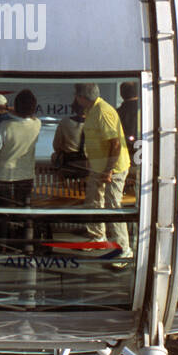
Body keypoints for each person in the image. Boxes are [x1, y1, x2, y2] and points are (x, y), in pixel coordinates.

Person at [75, 82, 132, 260]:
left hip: (112, 169)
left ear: (82, 97)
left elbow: (115, 144)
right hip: (99, 166)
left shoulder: (103, 111)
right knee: (93, 200)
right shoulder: (91, 110)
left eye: (77, 95)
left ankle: (124, 249)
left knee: (113, 206)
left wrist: (108, 170)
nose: (75, 98)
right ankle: (98, 236)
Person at [0, 89, 42, 248]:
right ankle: (24, 244)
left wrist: (7, 109)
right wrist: (13, 109)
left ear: (15, 106)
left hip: (3, 175)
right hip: (26, 175)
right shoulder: (37, 124)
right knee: (23, 211)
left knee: (2, 212)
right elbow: (28, 115)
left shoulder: (5, 126)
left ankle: (2, 244)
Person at [51, 98, 88, 181]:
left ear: (74, 108)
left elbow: (56, 146)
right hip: (87, 168)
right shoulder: (93, 124)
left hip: (68, 166)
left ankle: (63, 188)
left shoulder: (64, 122)